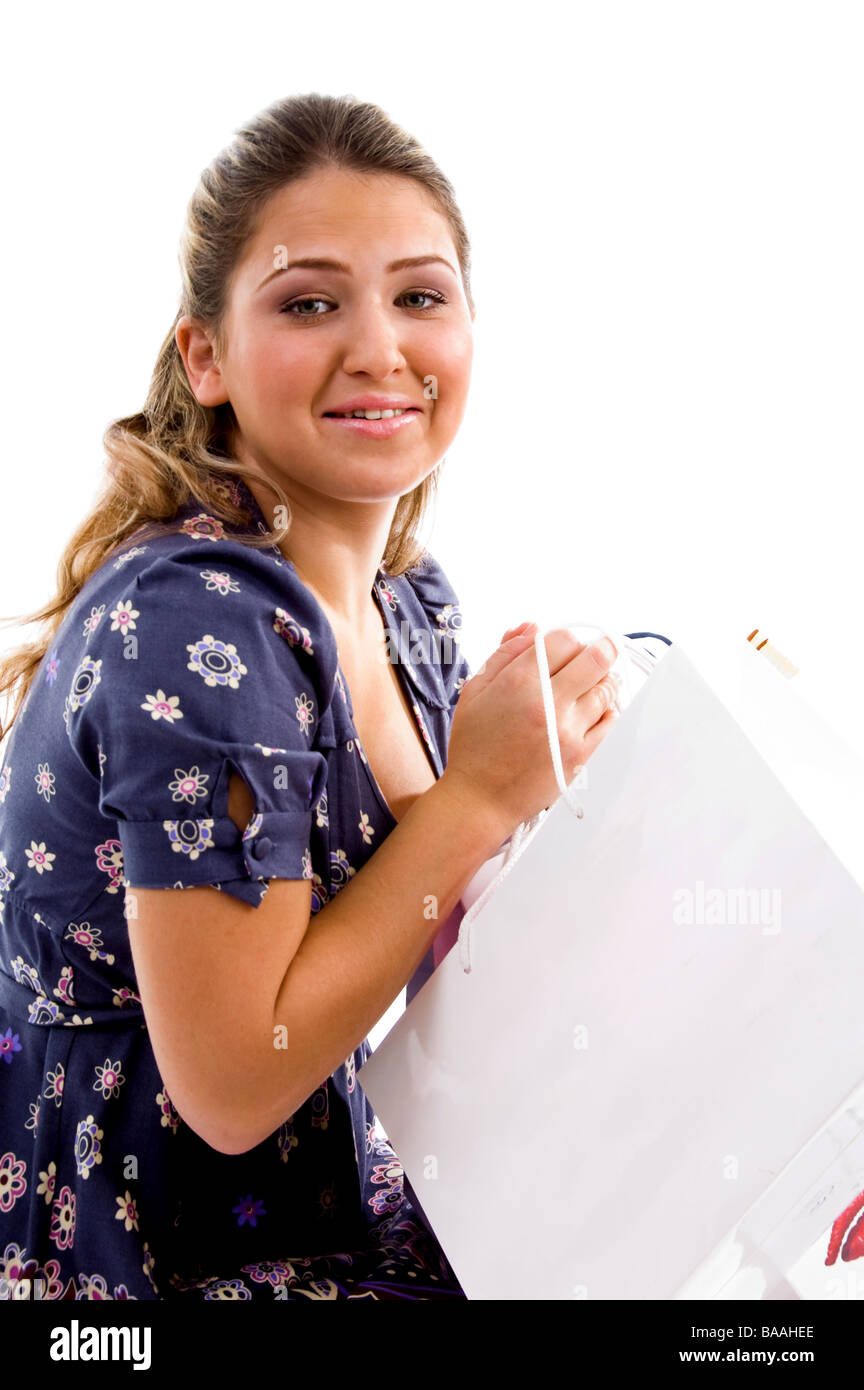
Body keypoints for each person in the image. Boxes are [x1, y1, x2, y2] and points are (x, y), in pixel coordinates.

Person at [0, 92, 622, 1302]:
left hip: (319, 1183)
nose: (380, 348)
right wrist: (481, 794)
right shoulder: (198, 621)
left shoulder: (408, 603)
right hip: (142, 1259)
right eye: (310, 301)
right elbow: (232, 1086)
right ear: (207, 355)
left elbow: (413, 934)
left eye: (421, 296)